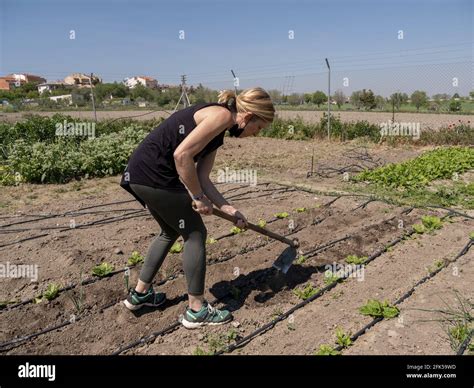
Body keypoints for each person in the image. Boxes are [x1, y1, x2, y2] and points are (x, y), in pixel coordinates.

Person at [120, 87, 275, 328]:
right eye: (259, 127)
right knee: (195, 233)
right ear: (248, 116)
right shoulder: (221, 116)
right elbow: (182, 156)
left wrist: (229, 210)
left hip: (140, 174)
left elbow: (203, 177)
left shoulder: (218, 132)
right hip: (155, 175)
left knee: (170, 231)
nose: (256, 133)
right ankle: (197, 309)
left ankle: (140, 295)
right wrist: (197, 196)